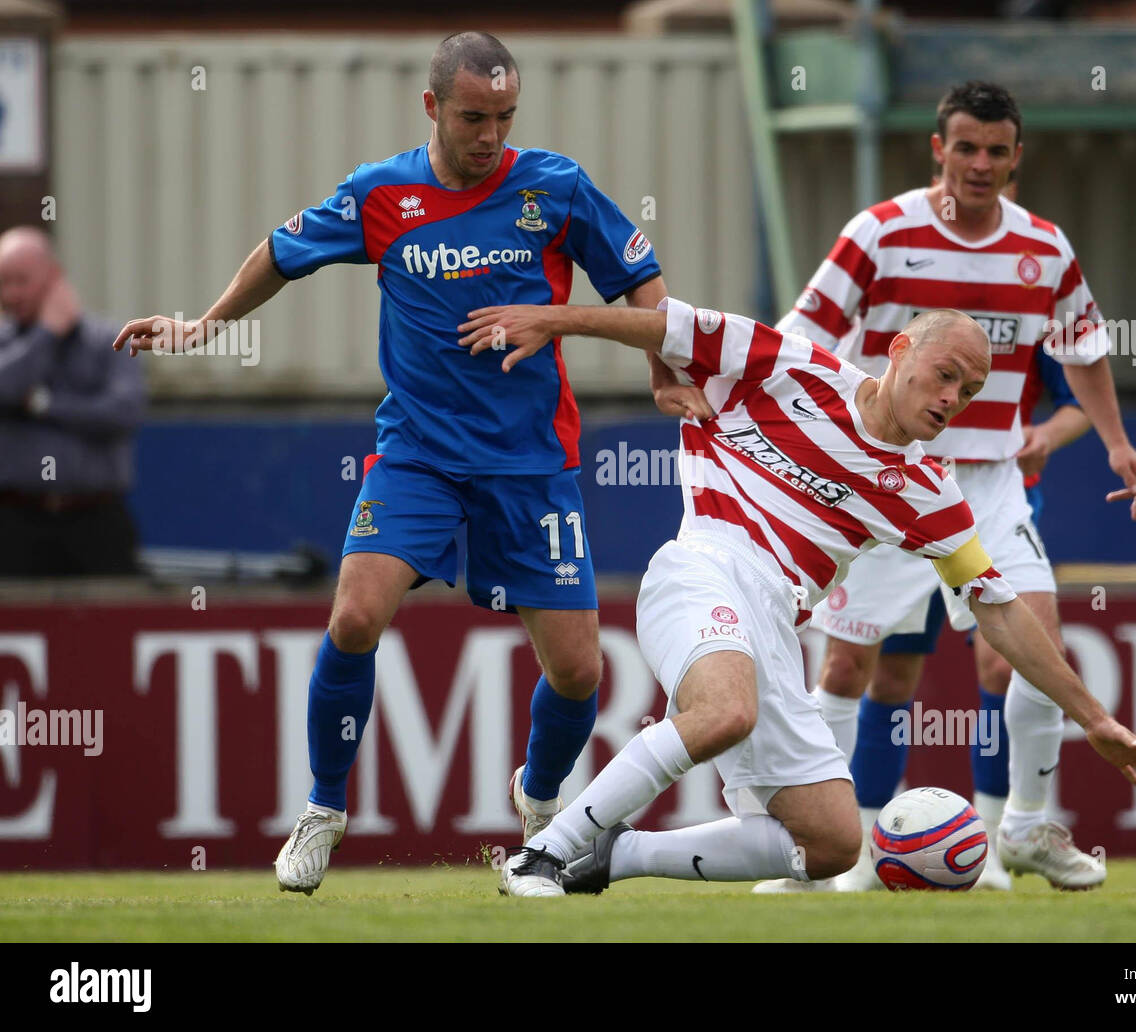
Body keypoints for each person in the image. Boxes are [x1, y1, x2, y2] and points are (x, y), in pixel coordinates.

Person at [113, 31, 707, 896]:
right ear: (432, 106)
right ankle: (321, 812)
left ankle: (539, 802)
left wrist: (662, 364)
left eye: (505, 116)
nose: (491, 134)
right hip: (418, 456)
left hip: (531, 463)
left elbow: (640, 280)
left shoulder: (556, 186)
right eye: (474, 117)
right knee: (355, 618)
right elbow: (281, 254)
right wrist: (203, 325)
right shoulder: (381, 193)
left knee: (580, 673)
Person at [456, 297, 1136, 898]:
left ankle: (614, 856)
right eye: (944, 375)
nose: (952, 399)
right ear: (899, 350)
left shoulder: (927, 490)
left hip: (773, 623)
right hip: (700, 566)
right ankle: (543, 852)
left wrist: (1097, 719)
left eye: (968, 391)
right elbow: (664, 324)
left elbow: (1001, 611)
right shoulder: (788, 363)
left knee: (831, 844)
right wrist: (553, 322)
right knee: (725, 712)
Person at [762, 81, 1136, 893]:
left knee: (1036, 647)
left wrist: (1119, 443)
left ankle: (1021, 828)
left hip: (988, 482)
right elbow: (796, 339)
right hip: (885, 477)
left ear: (1017, 158)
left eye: (996, 150)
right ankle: (811, 853)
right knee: (847, 672)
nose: (980, 164)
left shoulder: (1046, 249)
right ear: (937, 150)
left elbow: (1084, 350)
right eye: (966, 147)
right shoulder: (878, 234)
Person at [0, 226, 145, 576]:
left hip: (97, 524)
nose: (12, 293)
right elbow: (5, 388)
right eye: (4, 282)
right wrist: (46, 335)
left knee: (110, 623)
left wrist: (43, 405)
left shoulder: (110, 341)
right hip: (15, 525)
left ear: (54, 278)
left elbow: (123, 414)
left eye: (22, 280)